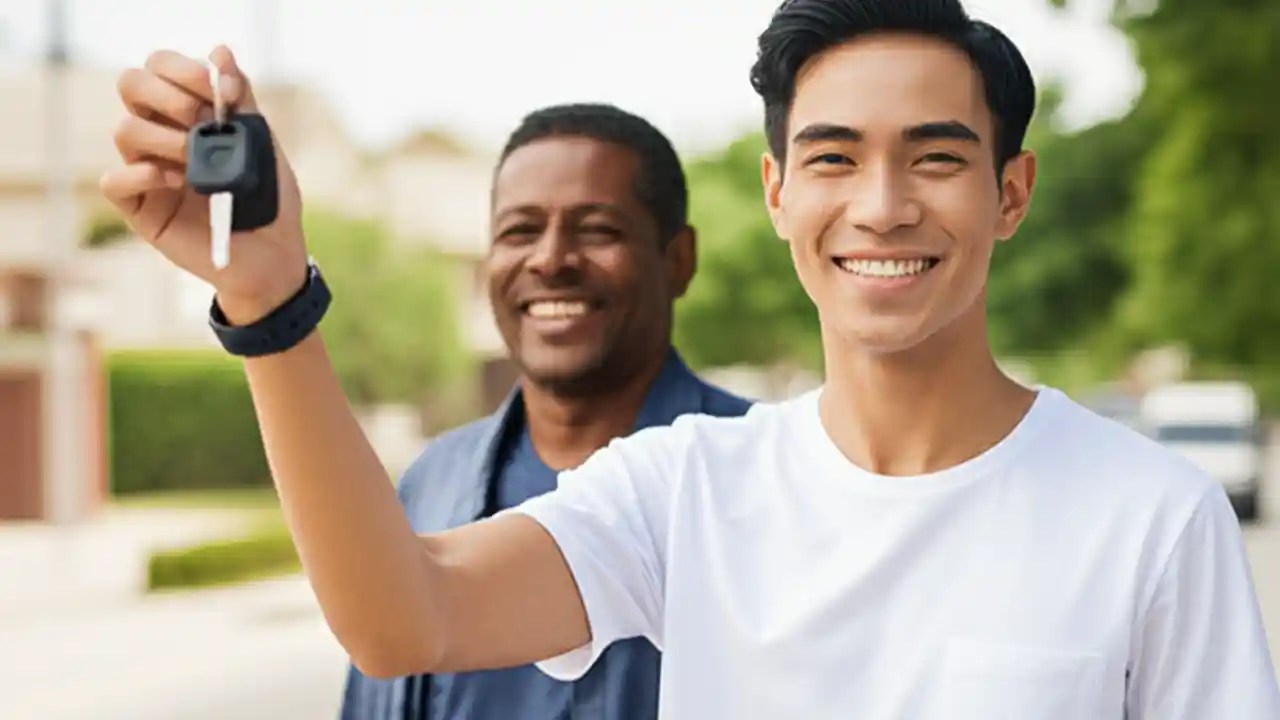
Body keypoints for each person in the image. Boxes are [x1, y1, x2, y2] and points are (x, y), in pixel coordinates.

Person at [102, 0, 1279, 717]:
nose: (878, 206)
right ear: (775, 194)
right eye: (829, 159)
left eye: (932, 159)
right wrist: (264, 297)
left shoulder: (1151, 517)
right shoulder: (686, 487)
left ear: (1007, 192)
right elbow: (404, 621)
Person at [338, 103, 752, 718]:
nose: (551, 259)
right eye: (520, 231)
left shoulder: (757, 478)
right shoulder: (432, 482)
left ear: (678, 260)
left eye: (597, 229)